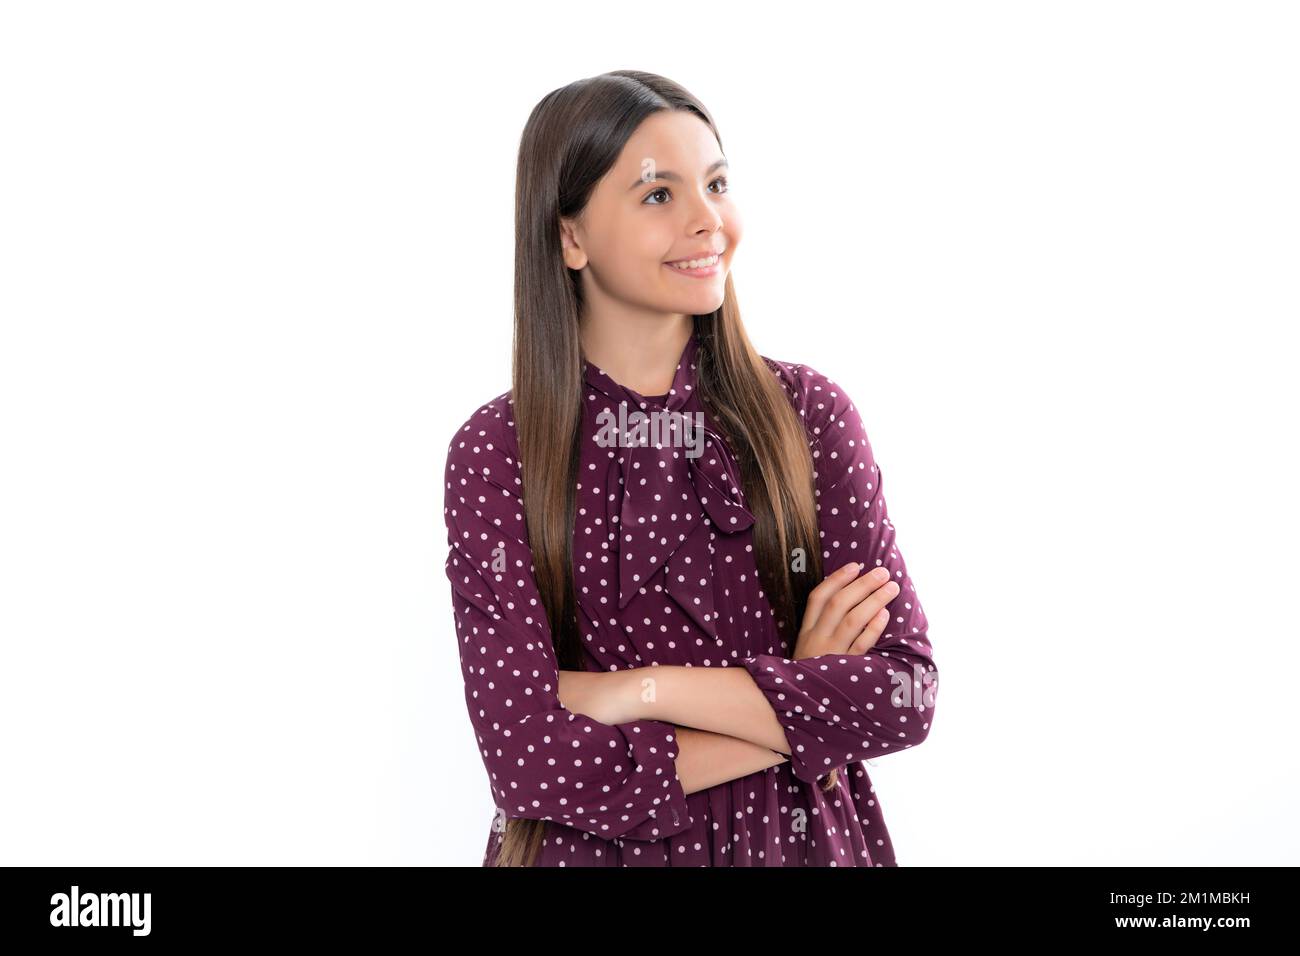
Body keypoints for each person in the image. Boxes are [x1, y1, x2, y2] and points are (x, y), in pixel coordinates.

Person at [442, 70, 937, 866]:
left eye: (716, 183)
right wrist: (800, 694)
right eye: (657, 194)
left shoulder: (809, 416)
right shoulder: (499, 450)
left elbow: (902, 696)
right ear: (570, 236)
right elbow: (526, 760)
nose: (710, 221)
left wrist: (637, 692)